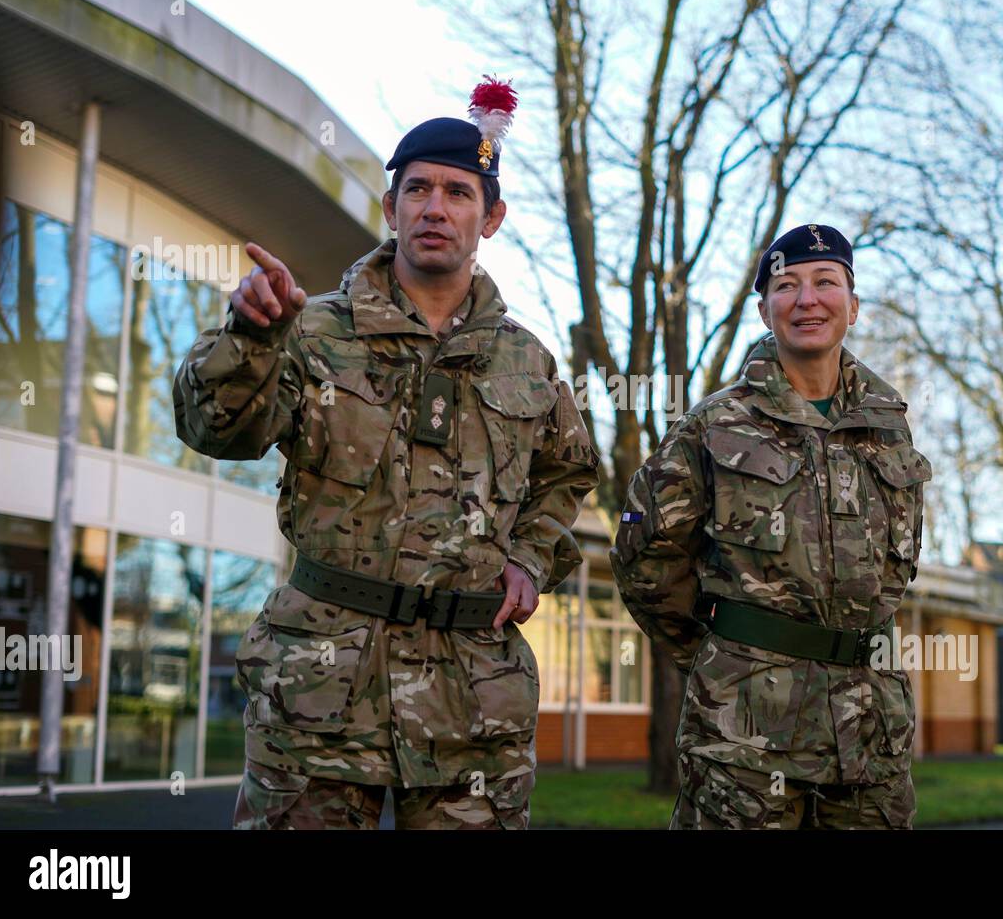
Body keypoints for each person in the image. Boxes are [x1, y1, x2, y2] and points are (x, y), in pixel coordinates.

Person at [173, 77, 601, 829]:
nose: (437, 208)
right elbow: (218, 431)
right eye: (419, 189)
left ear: (490, 217)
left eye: (459, 193)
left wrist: (531, 560)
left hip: (474, 697)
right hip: (320, 686)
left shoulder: (526, 362)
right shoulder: (310, 331)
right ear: (391, 207)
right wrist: (248, 339)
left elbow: (568, 474)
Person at [611, 223, 931, 829]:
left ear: (853, 306)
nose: (807, 299)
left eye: (825, 282)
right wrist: (720, 656)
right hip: (746, 736)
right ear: (765, 310)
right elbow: (644, 555)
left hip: (871, 735)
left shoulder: (890, 430)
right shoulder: (714, 425)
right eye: (787, 286)